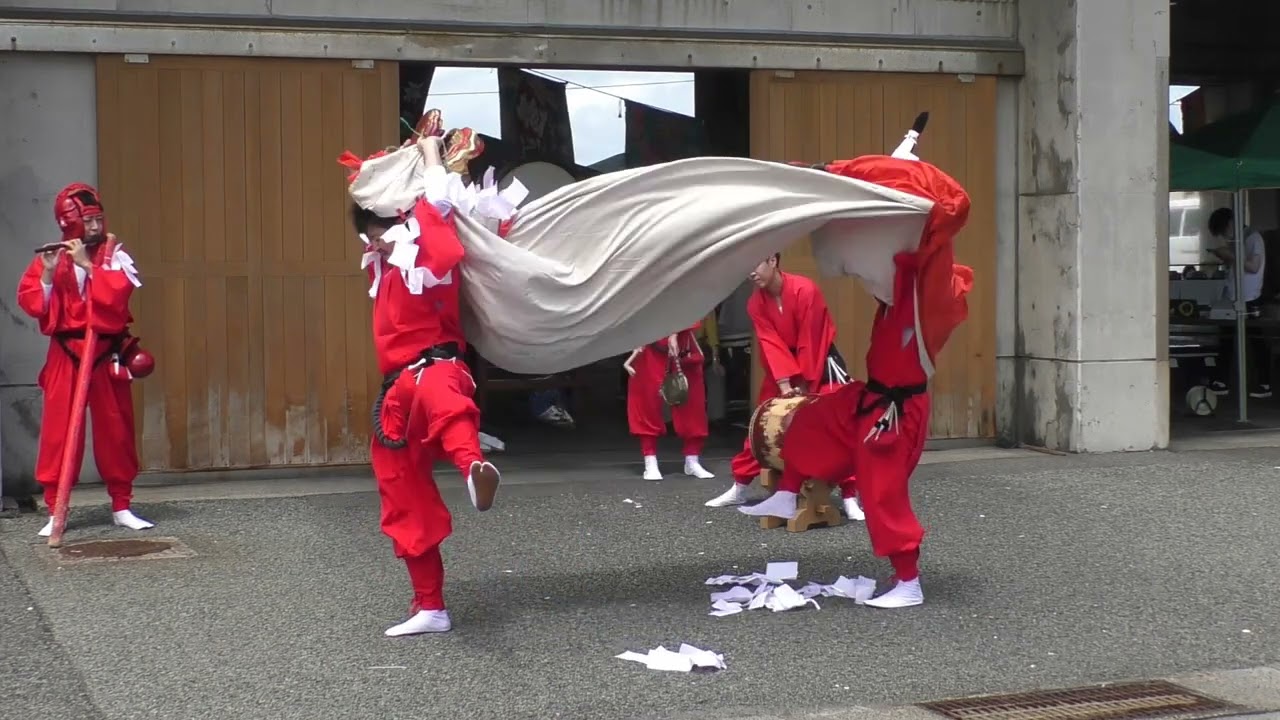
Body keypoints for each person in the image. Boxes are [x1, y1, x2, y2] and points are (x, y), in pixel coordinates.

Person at [347, 130, 500, 637]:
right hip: (396, 387)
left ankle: (472, 467)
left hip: (436, 365)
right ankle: (430, 606)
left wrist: (432, 159)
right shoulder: (386, 263)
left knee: (445, 400)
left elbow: (441, 235)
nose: (370, 242)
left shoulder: (429, 248)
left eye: (375, 230)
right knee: (399, 487)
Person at [16, 184, 153, 537]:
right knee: (59, 433)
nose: (94, 227)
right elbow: (34, 306)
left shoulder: (112, 255)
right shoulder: (51, 258)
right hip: (66, 352)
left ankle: (122, 505)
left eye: (97, 219)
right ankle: (55, 509)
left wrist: (89, 268)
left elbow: (118, 297)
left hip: (104, 352)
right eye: (87, 221)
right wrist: (47, 273)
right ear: (68, 224)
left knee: (116, 428)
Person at [704, 254, 863, 519]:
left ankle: (849, 496)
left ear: (772, 260)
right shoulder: (755, 302)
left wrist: (803, 388)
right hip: (782, 370)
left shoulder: (805, 289)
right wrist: (784, 383)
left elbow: (811, 339)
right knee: (762, 423)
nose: (750, 274)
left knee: (840, 429)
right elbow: (769, 342)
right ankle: (740, 486)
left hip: (820, 361)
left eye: (755, 265)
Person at [625, 322, 716, 481]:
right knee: (647, 401)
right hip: (647, 338)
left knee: (692, 401)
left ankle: (692, 459)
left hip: (682, 342)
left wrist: (674, 332)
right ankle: (650, 459)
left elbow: (693, 307)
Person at [1206, 207, 1271, 399]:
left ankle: (1265, 383)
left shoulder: (1252, 238)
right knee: (1225, 340)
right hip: (1233, 297)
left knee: (1256, 341)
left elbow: (1253, 266)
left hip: (1249, 298)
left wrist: (1230, 255)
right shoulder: (1237, 239)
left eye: (1223, 230)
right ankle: (1221, 381)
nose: (1224, 235)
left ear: (1229, 224)